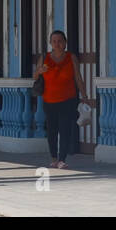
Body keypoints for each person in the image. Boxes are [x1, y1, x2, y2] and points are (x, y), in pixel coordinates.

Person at [33, 30, 94, 170]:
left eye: (60, 41)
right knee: (52, 131)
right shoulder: (44, 58)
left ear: (65, 43)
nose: (57, 44)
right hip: (49, 100)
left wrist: (84, 97)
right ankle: (54, 158)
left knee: (65, 129)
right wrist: (39, 71)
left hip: (68, 99)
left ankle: (62, 159)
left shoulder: (71, 57)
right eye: (54, 41)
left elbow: (78, 77)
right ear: (50, 43)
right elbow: (35, 77)